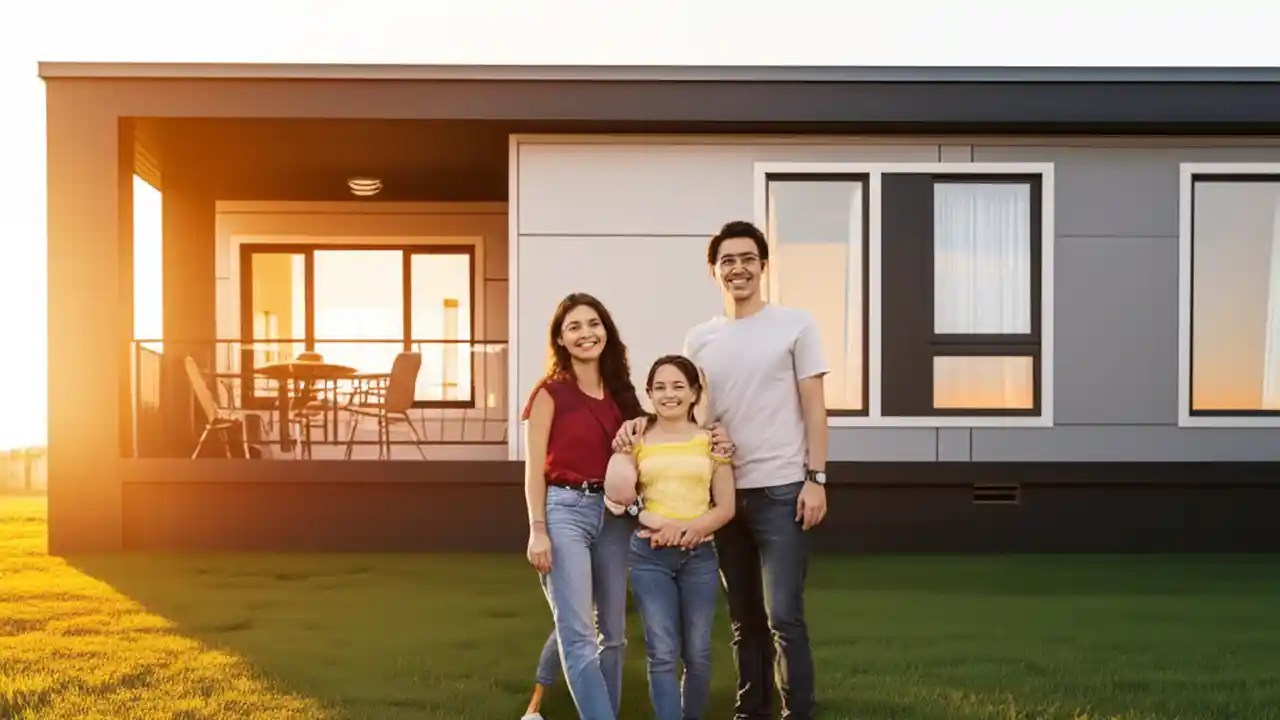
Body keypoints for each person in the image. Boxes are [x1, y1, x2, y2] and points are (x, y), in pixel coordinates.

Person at [615, 220, 830, 720]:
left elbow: (816, 407)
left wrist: (816, 479)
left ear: (763, 266)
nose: (739, 268)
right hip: (722, 495)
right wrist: (638, 429)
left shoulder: (795, 325)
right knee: (742, 618)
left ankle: (798, 712)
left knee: (784, 616)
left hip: (782, 489)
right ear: (714, 271)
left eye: (748, 258)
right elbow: (688, 410)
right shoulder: (701, 338)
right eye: (727, 261)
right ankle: (749, 711)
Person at [521, 292, 647, 720]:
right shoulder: (549, 393)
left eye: (593, 324)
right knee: (577, 635)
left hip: (613, 519)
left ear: (606, 331)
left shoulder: (621, 394)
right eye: (573, 326)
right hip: (564, 512)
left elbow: (659, 440)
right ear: (560, 337)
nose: (585, 333)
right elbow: (534, 469)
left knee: (613, 636)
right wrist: (538, 528)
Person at [601, 354, 736, 720]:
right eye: (659, 387)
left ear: (695, 393)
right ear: (649, 393)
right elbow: (616, 495)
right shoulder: (636, 439)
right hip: (649, 556)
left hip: (699, 557)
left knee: (698, 652)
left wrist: (688, 531)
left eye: (678, 386)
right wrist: (653, 520)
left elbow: (726, 507)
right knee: (661, 651)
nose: (669, 394)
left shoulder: (712, 442)